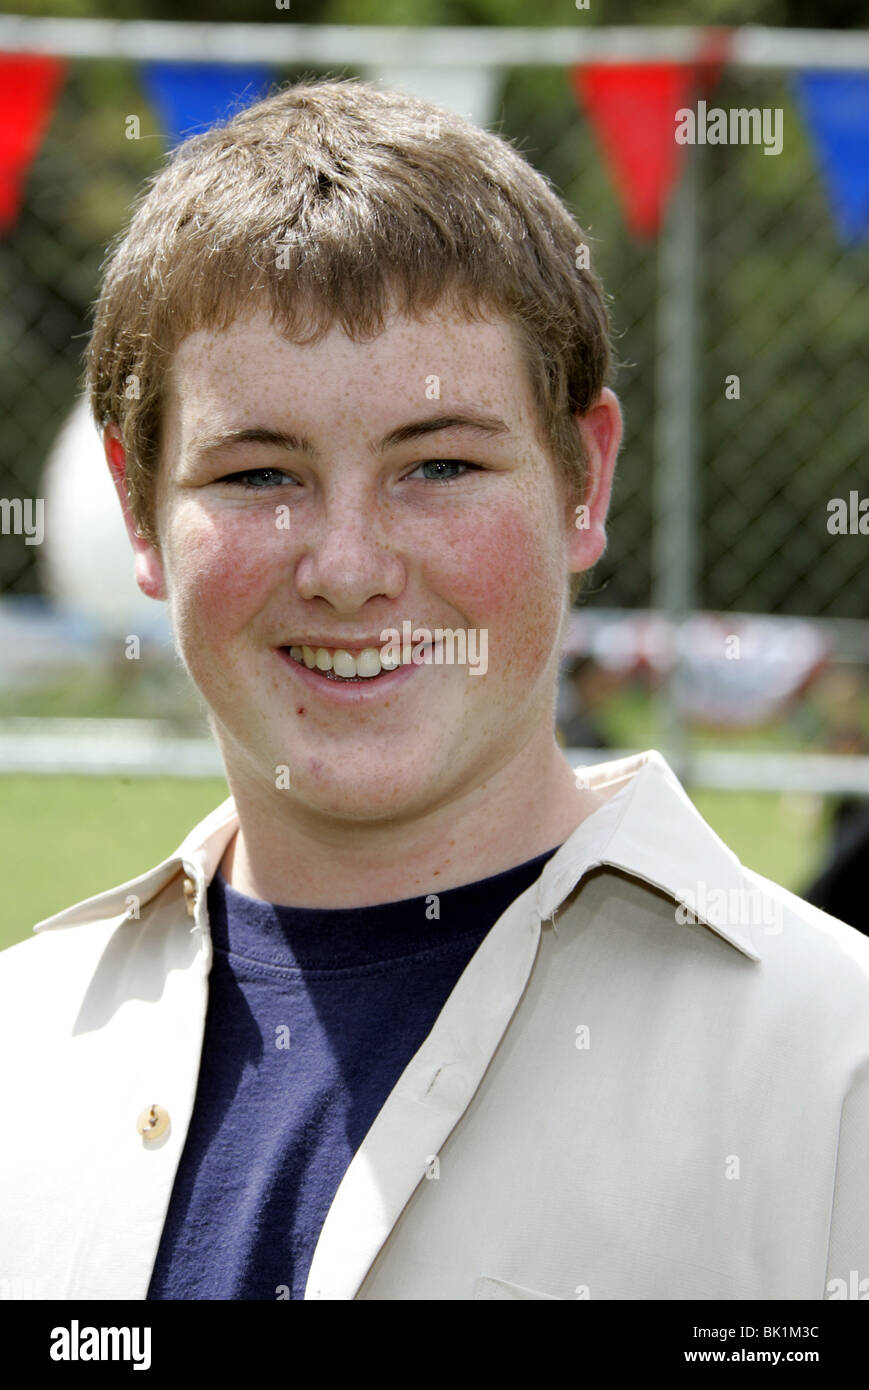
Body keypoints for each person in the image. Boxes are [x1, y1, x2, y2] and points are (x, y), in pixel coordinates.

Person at [2, 76, 868, 1303]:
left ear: (584, 480)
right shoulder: (22, 1062)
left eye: (440, 465)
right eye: (258, 475)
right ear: (138, 505)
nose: (348, 568)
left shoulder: (830, 1078)